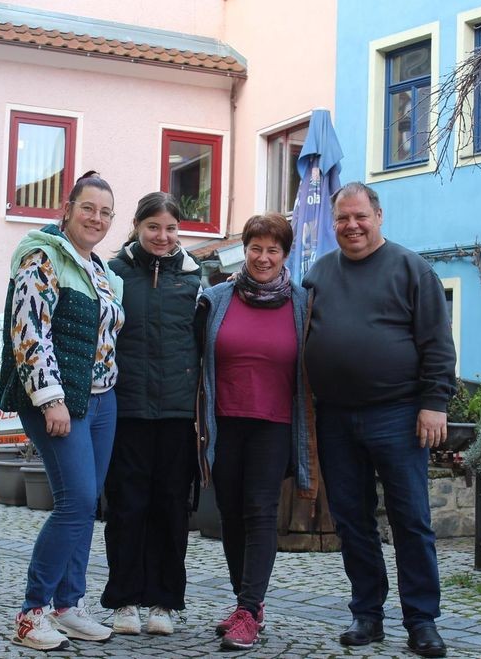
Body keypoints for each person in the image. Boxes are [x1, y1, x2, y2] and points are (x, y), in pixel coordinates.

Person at [302, 181, 455, 658]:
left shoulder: (412, 270)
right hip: (334, 417)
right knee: (352, 522)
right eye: (342, 218)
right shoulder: (318, 274)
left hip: (399, 414)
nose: (352, 226)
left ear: (379, 216)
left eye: (360, 217)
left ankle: (422, 620)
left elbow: (437, 342)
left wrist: (435, 402)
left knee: (411, 520)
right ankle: (367, 614)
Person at [0, 171, 125, 651]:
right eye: (88, 208)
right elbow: (29, 330)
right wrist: (50, 399)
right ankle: (32, 613)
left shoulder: (99, 270)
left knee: (86, 505)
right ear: (67, 209)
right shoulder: (42, 257)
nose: (96, 218)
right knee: (75, 502)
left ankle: (68, 606)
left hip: (102, 399)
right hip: (59, 400)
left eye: (105, 212)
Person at [195, 214, 313, 651]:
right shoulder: (216, 299)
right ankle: (247, 606)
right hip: (224, 421)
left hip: (274, 423)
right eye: (256, 249)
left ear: (285, 254)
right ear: (244, 250)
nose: (263, 258)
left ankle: (248, 608)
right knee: (229, 512)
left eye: (273, 250)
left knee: (260, 511)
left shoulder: (302, 303)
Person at [101, 191, 201, 636]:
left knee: (171, 508)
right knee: (127, 507)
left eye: (171, 228)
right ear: (137, 227)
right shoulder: (113, 274)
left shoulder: (195, 279)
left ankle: (164, 601)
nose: (163, 236)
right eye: (153, 227)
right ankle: (124, 600)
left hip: (178, 414)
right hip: (128, 410)